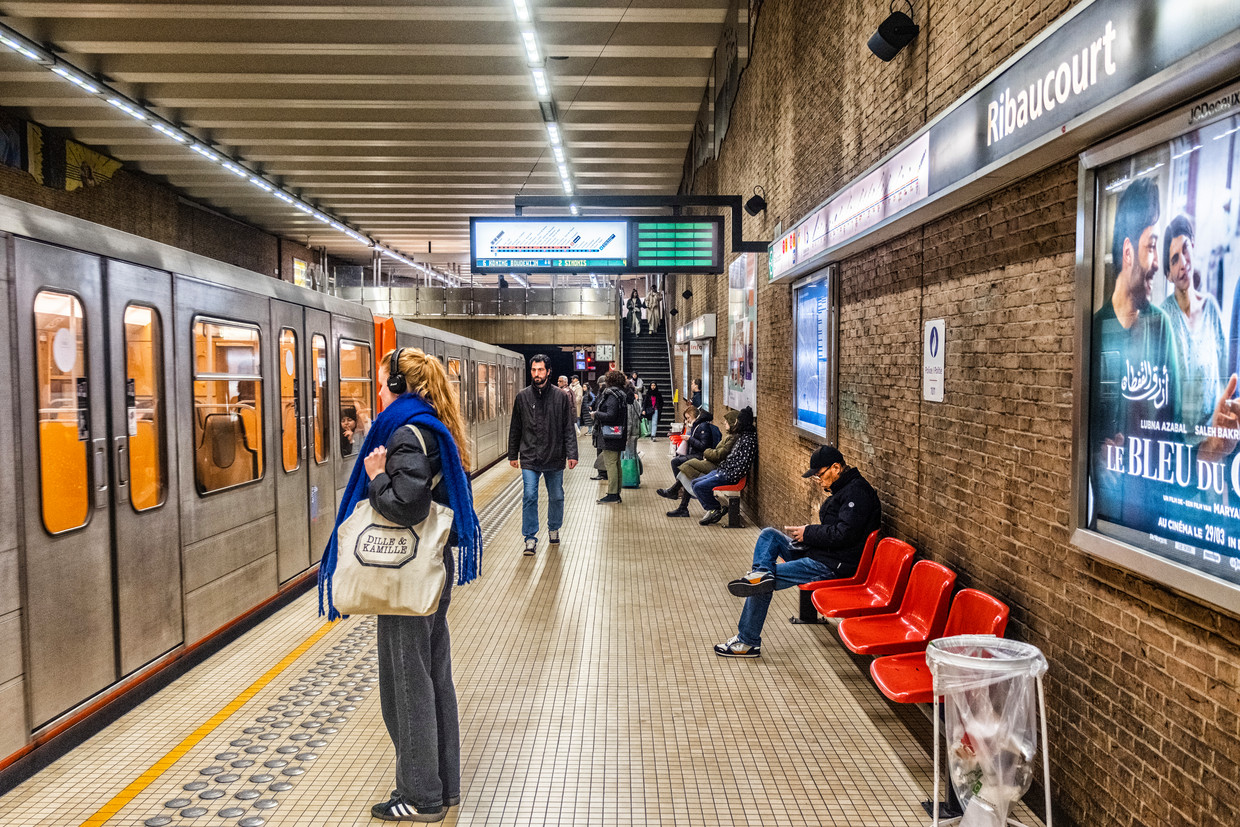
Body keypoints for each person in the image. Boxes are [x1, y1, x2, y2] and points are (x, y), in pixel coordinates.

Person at [318, 347, 483, 820]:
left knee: (407, 686)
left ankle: (421, 796)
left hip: (404, 573)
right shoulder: (431, 425)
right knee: (433, 678)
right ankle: (441, 786)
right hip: (428, 568)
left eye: (382, 382)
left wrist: (375, 478)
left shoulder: (406, 433)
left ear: (398, 385)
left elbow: (407, 502)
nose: (379, 390)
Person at [715, 445, 880, 658]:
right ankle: (761, 572)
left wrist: (808, 533)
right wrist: (810, 535)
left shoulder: (857, 493)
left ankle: (747, 641)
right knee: (769, 535)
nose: (818, 480)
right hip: (821, 553)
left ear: (836, 468)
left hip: (832, 564)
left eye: (820, 475)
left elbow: (843, 534)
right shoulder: (845, 488)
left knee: (762, 584)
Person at [1160, 214, 1226, 431]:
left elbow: (1225, 376)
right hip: (1177, 440)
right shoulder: (1162, 318)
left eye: (1185, 249)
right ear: (1168, 275)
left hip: (1213, 437)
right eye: (1174, 259)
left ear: (1193, 247)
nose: (1183, 263)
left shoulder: (1212, 309)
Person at [509, 354, 578, 555]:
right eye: (533, 370)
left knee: (556, 496)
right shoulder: (522, 397)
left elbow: (568, 428)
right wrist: (513, 454)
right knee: (530, 495)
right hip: (529, 455)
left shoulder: (560, 397)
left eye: (540, 370)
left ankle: (554, 528)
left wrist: (572, 454)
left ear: (548, 372)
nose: (536, 374)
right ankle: (530, 538)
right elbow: (515, 427)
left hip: (554, 455)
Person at [689, 406, 756, 525]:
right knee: (694, 483)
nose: (736, 423)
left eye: (737, 421)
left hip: (729, 474)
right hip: (723, 470)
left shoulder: (748, 441)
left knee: (699, 487)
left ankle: (714, 508)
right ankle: (714, 509)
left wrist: (726, 471)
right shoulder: (742, 437)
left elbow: (742, 465)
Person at [662, 409, 736, 517]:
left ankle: (677, 491)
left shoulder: (704, 427)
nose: (724, 423)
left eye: (688, 418)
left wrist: (702, 449)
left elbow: (708, 448)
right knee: (687, 471)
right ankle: (679, 497)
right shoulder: (699, 426)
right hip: (711, 459)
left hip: (710, 460)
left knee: (686, 466)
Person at [593, 369, 629, 503]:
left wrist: (596, 414)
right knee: (616, 463)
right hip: (618, 433)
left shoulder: (612, 395)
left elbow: (611, 415)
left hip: (610, 435)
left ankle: (613, 493)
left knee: (611, 464)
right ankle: (616, 492)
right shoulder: (621, 394)